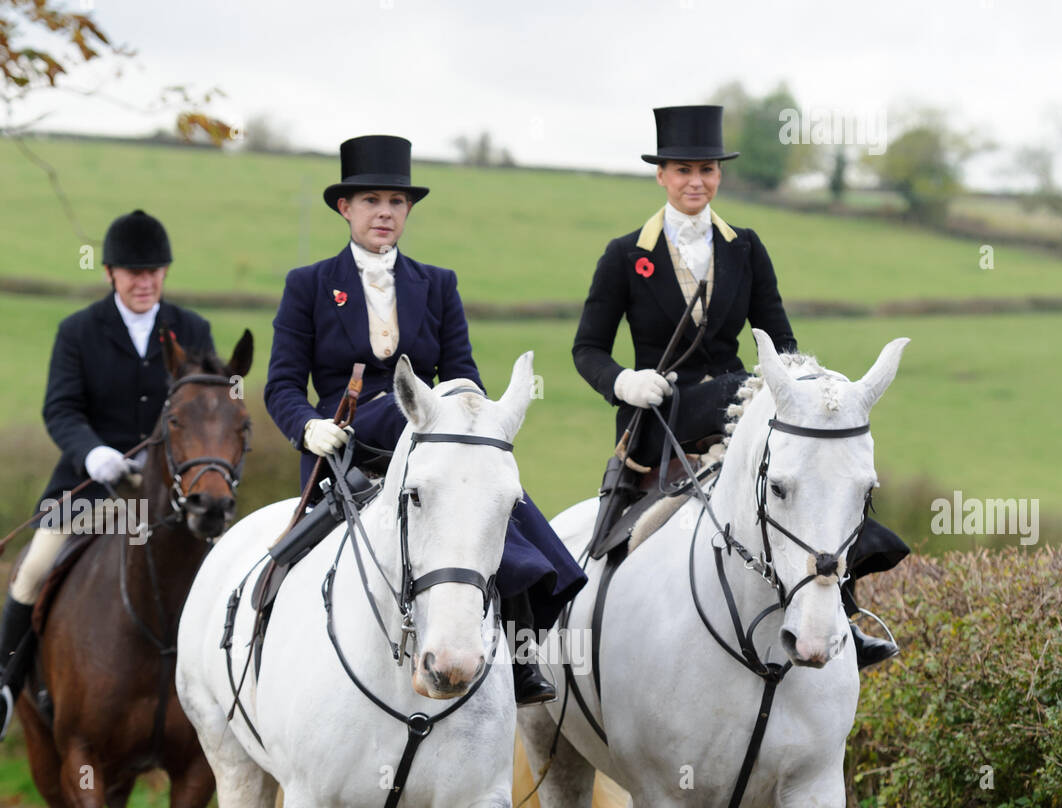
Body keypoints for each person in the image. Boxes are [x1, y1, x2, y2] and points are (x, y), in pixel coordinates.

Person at [572, 105, 906, 669]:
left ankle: (844, 605)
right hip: (660, 417)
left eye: (705, 169)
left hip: (741, 404)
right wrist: (624, 383)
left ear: (719, 175)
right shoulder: (625, 255)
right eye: (682, 170)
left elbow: (783, 342)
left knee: (817, 461)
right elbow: (587, 350)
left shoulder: (745, 248)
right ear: (662, 176)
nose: (695, 181)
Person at [264, 135, 585, 703]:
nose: (384, 213)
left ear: (408, 210)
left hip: (431, 442)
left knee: (493, 499)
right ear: (345, 208)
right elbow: (282, 384)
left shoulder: (438, 284)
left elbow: (463, 377)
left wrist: (470, 426)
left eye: (396, 202)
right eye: (371, 202)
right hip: (347, 450)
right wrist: (306, 427)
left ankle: (523, 646)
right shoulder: (308, 284)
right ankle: (268, 650)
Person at [0, 210, 215, 738]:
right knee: (33, 568)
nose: (144, 283)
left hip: (172, 493)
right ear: (110, 274)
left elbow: (209, 408)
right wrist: (94, 454)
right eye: (131, 273)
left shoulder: (192, 329)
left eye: (153, 272)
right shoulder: (78, 331)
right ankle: (5, 683)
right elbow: (60, 409)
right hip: (88, 485)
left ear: (164, 273)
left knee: (227, 572)